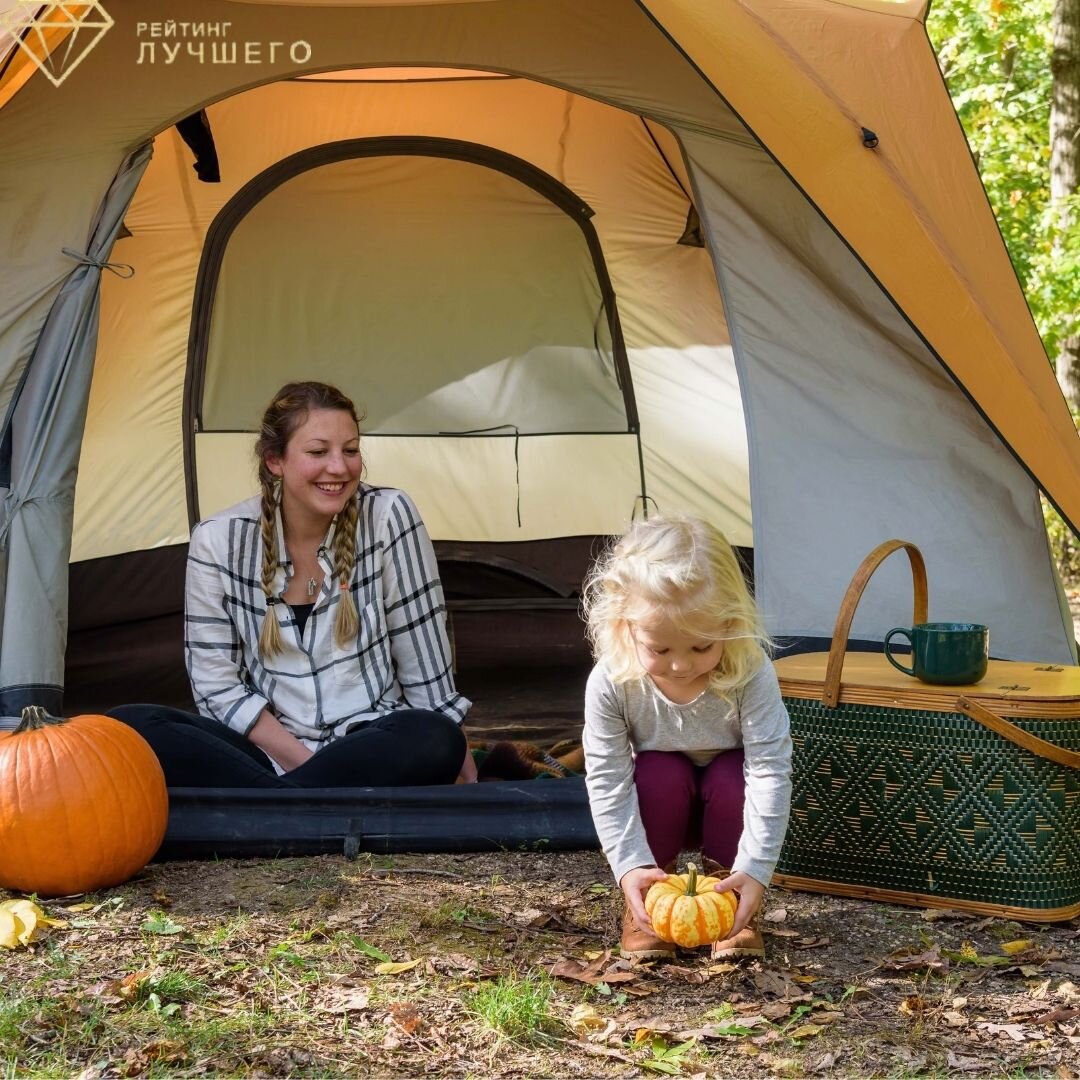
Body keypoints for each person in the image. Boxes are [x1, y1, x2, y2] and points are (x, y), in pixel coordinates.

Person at [111, 381, 474, 788]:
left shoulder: (389, 515)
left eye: (350, 450)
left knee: (432, 737)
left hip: (370, 743)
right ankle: (309, 801)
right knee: (129, 726)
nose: (339, 467)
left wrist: (456, 755)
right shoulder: (217, 540)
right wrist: (302, 766)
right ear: (274, 461)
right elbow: (217, 686)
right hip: (268, 754)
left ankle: (278, 807)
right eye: (318, 452)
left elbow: (423, 656)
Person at [581, 514, 791, 960]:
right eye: (660, 649)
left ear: (731, 623)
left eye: (701, 647)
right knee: (658, 770)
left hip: (729, 807)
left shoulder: (750, 672)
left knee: (733, 772)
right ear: (625, 626)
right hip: (661, 805)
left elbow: (770, 770)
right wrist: (629, 867)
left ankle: (732, 903)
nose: (681, 665)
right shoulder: (612, 682)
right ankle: (646, 903)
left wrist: (755, 869)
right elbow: (607, 779)